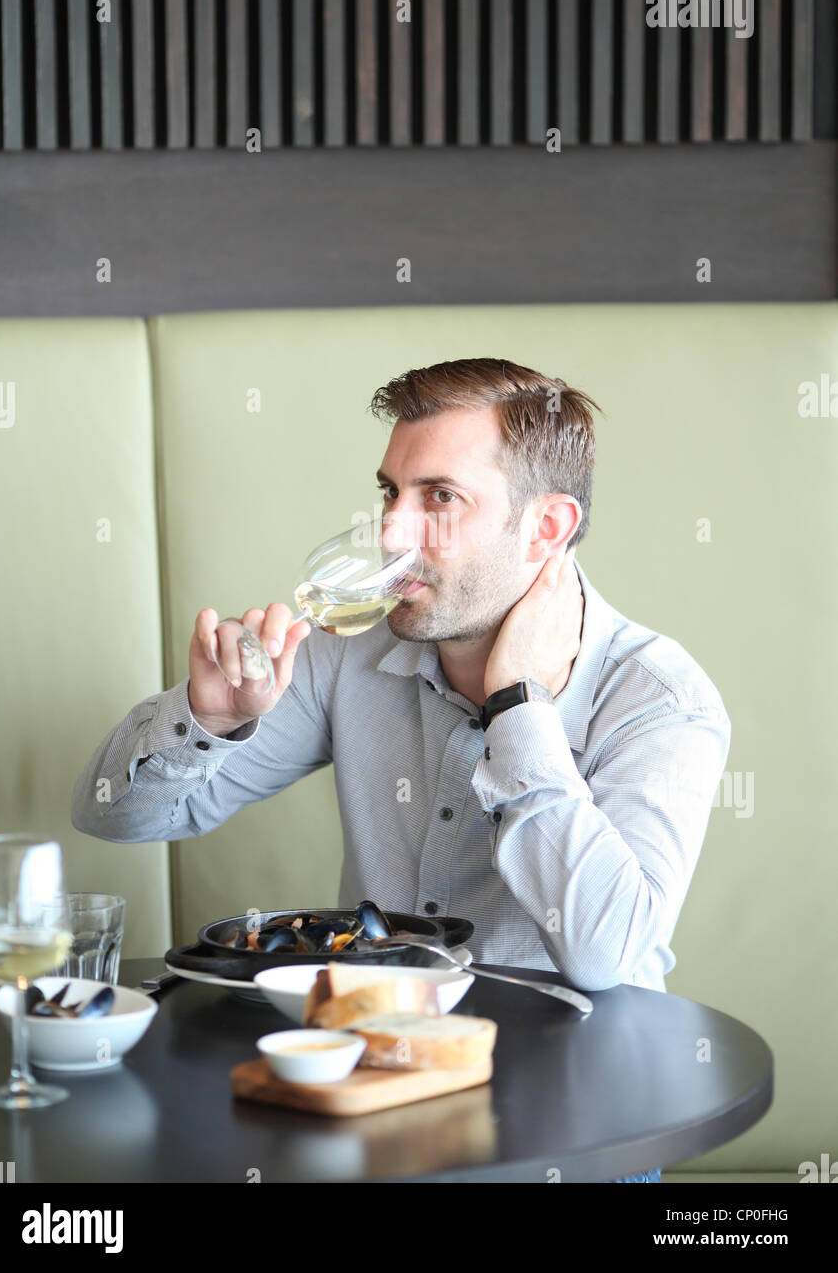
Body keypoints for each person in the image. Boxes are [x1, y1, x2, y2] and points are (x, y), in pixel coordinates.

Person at [72, 358, 731, 1184]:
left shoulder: (660, 698)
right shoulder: (353, 652)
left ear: (547, 528)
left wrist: (518, 710)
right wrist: (209, 720)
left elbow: (609, 951)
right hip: (371, 1102)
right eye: (391, 492)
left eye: (439, 499)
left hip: (578, 1128)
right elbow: (110, 814)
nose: (390, 531)